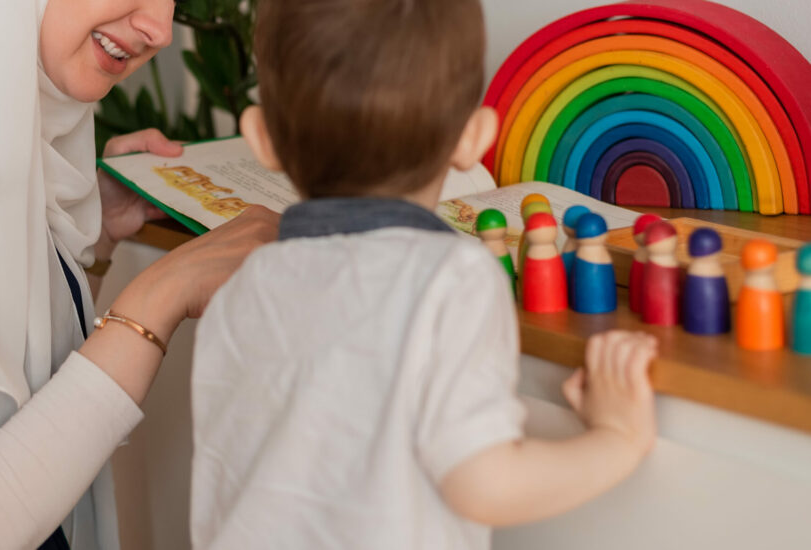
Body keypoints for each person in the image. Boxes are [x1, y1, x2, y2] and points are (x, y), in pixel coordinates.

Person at [189, 1, 658, 548]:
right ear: (473, 138)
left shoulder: (241, 286)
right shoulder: (452, 279)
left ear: (261, 137)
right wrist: (618, 437)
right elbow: (484, 485)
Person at [0, 1, 278, 549]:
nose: (160, 29)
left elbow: (16, 391)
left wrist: (98, 239)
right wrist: (163, 293)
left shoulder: (17, 149)